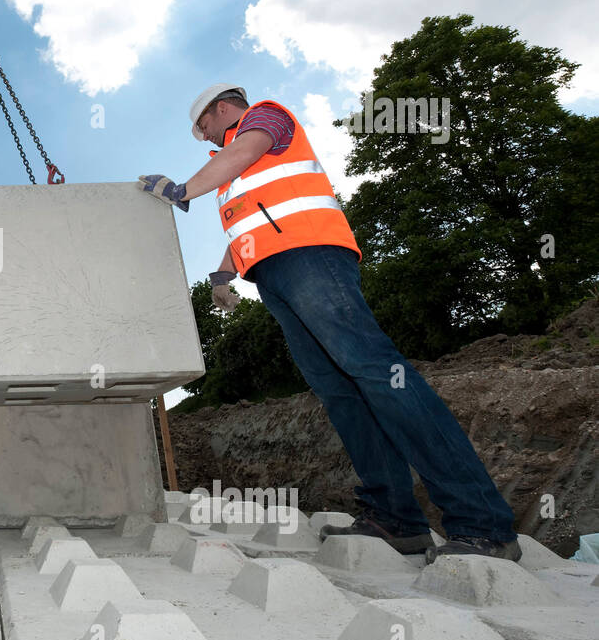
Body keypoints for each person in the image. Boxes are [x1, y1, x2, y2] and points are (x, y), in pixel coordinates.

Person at [138, 83, 520, 562]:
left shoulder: (265, 119)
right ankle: (395, 520)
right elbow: (250, 222)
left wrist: (181, 190)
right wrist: (223, 274)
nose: (207, 140)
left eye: (205, 130)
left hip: (313, 258)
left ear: (218, 110)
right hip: (276, 272)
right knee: (342, 392)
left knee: (379, 375)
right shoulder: (234, 162)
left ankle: (481, 523)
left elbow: (241, 154)